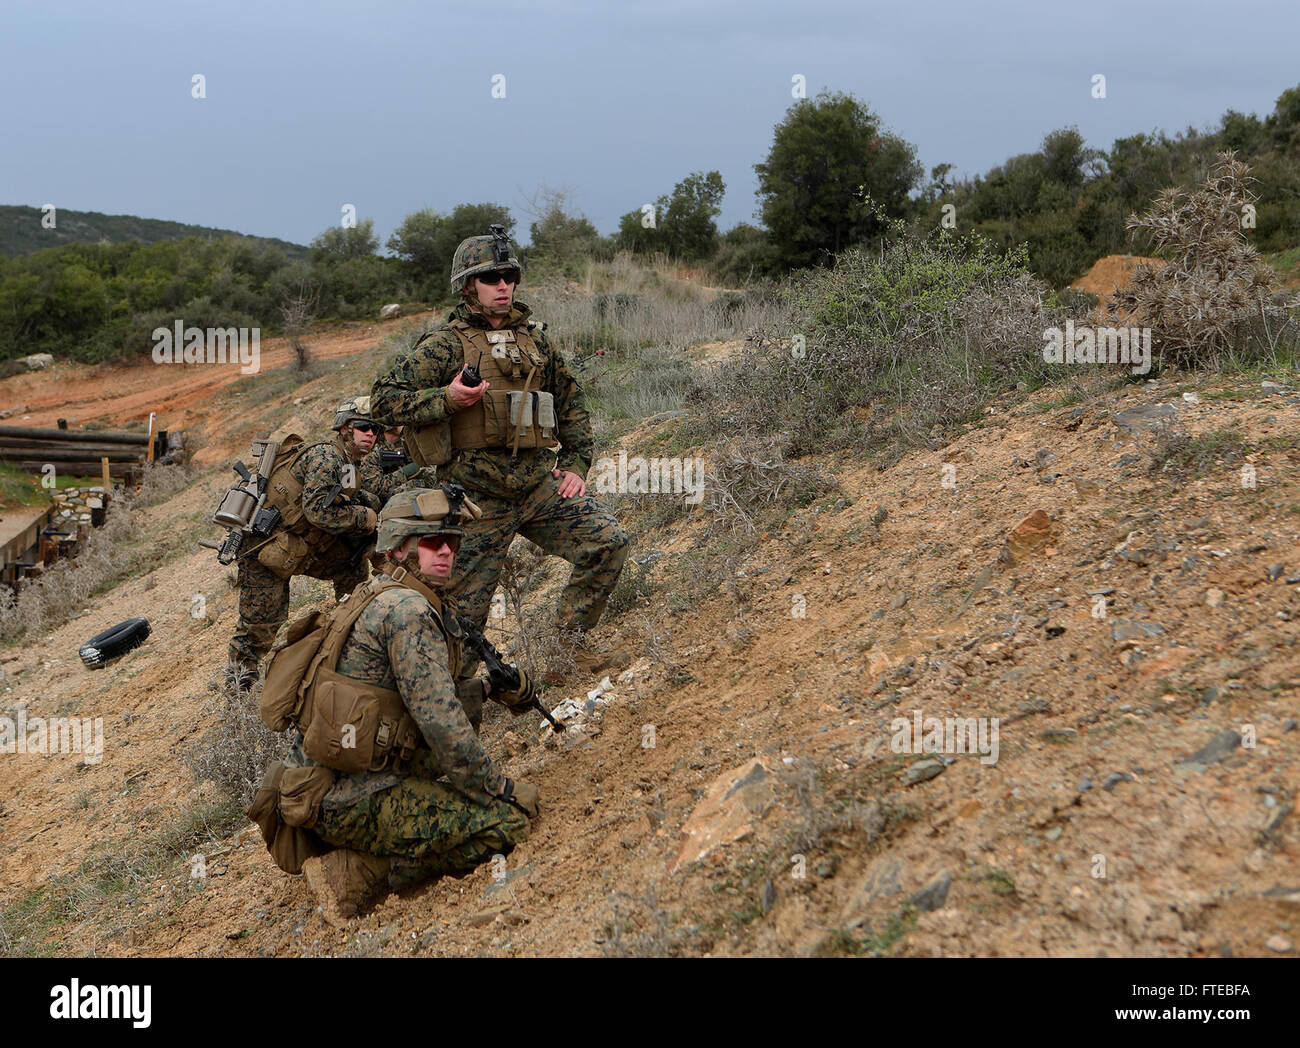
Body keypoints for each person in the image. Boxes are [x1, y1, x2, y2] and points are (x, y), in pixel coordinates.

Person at [271, 486, 541, 924]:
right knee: (507, 825)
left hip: (332, 778)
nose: (446, 553)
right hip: (345, 795)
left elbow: (415, 708)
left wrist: (489, 689)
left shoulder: (384, 592)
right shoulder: (408, 611)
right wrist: (498, 790)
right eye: (433, 543)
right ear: (398, 550)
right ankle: (359, 871)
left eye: (452, 542)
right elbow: (441, 724)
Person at [370, 227, 629, 680]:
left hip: (536, 487)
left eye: (509, 276)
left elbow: (571, 404)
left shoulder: (538, 342)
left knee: (607, 543)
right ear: (469, 286)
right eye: (492, 278)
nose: (504, 286)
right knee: (464, 617)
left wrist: (575, 464)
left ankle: (569, 651)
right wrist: (447, 399)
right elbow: (384, 399)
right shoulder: (444, 344)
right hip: (474, 501)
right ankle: (454, 702)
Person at [225, 396, 381, 689]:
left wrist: (363, 506)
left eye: (375, 429)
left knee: (352, 564)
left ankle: (350, 634)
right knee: (260, 627)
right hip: (264, 549)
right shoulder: (327, 457)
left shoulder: (348, 462)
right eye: (363, 427)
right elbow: (319, 511)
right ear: (345, 429)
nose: (371, 434)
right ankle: (237, 694)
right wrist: (364, 516)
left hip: (299, 545)